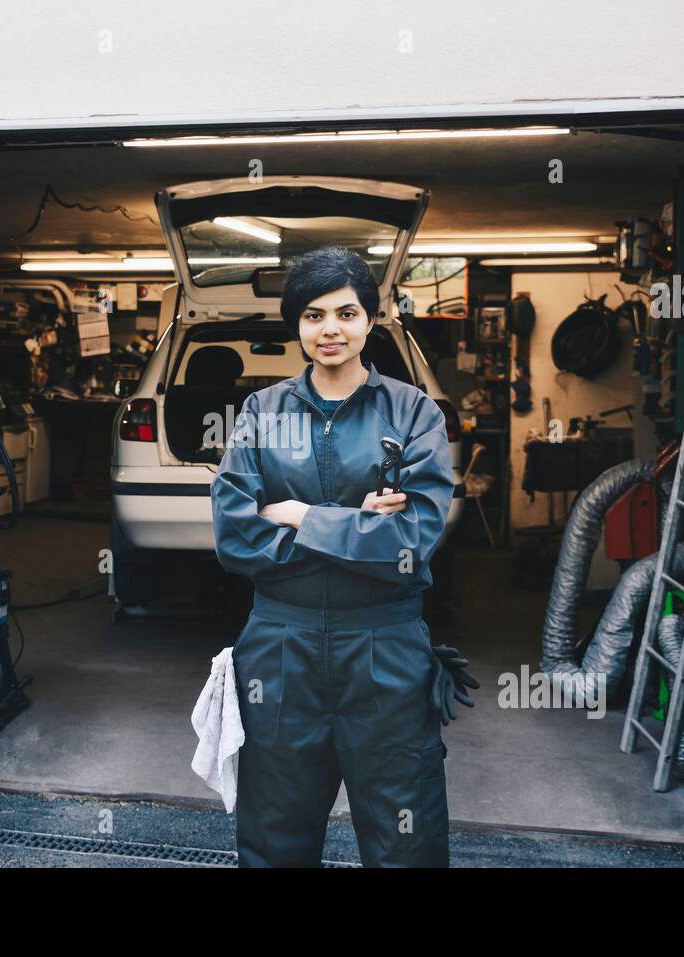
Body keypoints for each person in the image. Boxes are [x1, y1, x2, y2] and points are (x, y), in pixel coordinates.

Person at [210, 245, 464, 867]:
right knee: (274, 833)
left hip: (385, 648)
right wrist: (357, 529)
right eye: (314, 315)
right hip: (279, 647)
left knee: (406, 837)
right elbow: (235, 537)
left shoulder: (413, 414)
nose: (330, 330)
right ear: (296, 325)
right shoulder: (261, 414)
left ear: (370, 321)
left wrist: (299, 516)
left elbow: (410, 542)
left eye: (347, 314)